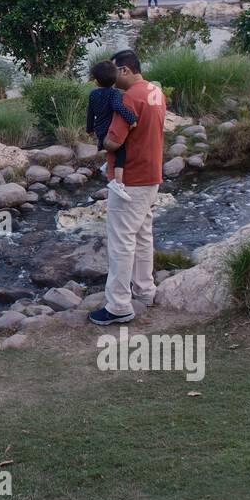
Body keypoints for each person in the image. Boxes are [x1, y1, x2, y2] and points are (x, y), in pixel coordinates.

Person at [89, 50, 166, 326]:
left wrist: (102, 140)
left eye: (113, 68)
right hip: (152, 174)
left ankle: (119, 305)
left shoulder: (129, 98)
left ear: (124, 70)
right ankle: (145, 291)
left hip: (130, 180)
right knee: (143, 236)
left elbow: (114, 141)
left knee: (121, 243)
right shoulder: (155, 91)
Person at [87, 59, 138, 200]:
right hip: (110, 130)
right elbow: (117, 107)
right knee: (121, 152)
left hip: (100, 130)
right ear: (116, 78)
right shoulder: (115, 93)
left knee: (110, 149)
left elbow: (90, 113)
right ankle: (118, 183)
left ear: (97, 81)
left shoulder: (93, 94)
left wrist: (89, 129)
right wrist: (131, 118)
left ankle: (106, 166)